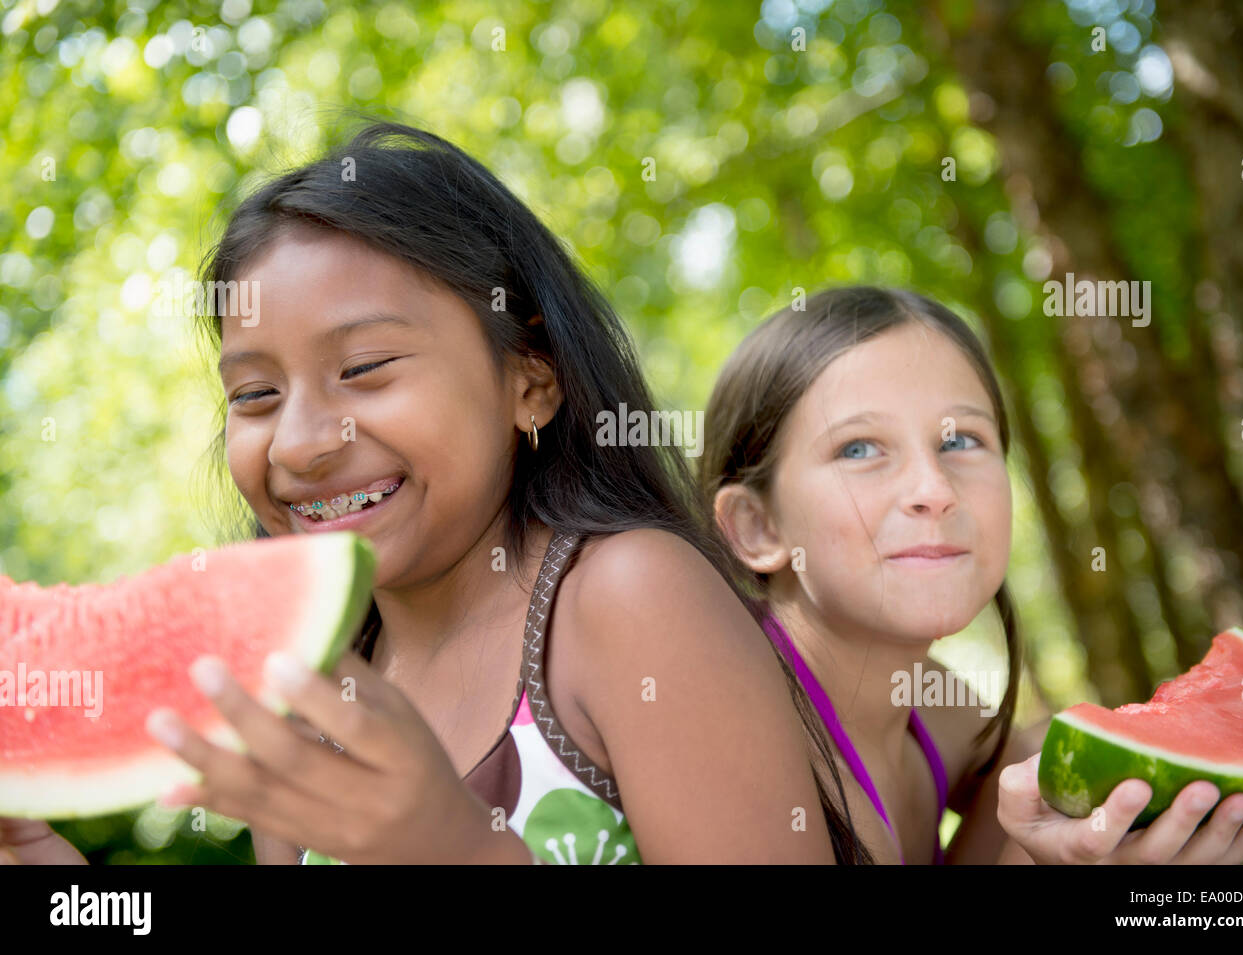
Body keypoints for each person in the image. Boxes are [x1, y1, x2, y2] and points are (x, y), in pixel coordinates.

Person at [0, 121, 866, 865]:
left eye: (365, 369)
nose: (300, 442)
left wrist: (461, 848)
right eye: (255, 395)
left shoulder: (627, 598)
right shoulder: (302, 694)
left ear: (531, 376)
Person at [699, 286, 1243, 864]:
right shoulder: (736, 731)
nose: (934, 491)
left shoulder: (937, 708)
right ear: (757, 527)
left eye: (959, 440)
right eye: (858, 449)